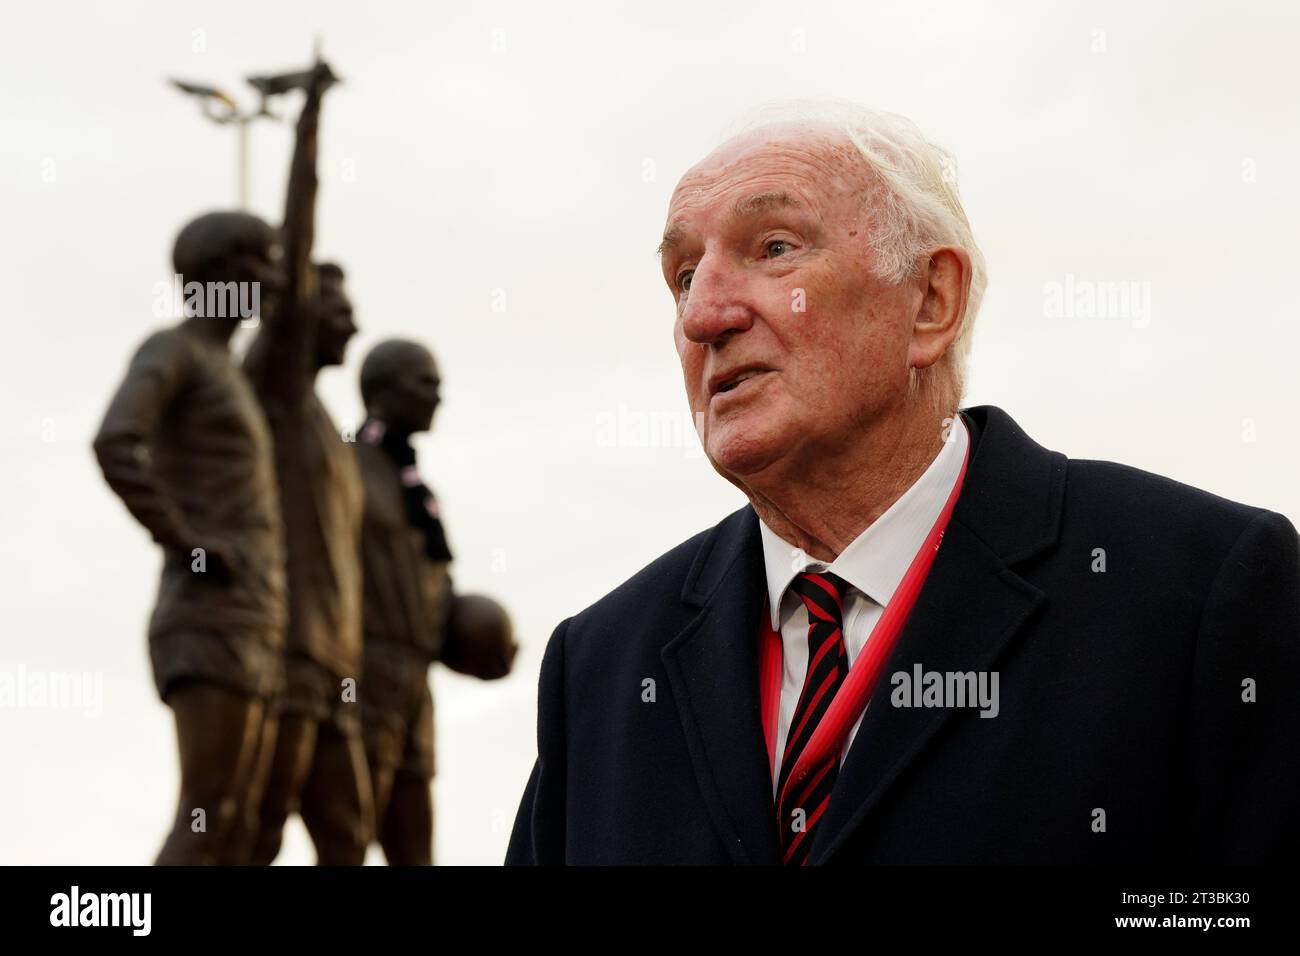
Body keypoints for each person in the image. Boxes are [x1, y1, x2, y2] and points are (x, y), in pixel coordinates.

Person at [506, 102, 1300, 865]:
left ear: (931, 300)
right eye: (683, 276)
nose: (702, 314)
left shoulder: (1201, 591)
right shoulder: (601, 668)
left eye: (774, 247)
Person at [93, 209, 286, 865]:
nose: (274, 279)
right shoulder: (173, 351)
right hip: (207, 616)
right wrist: (188, 543)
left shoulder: (231, 373)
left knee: (235, 829)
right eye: (262, 262)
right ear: (220, 271)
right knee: (206, 820)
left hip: (253, 619)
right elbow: (116, 440)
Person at [240, 60, 372, 865]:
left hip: (336, 662)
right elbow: (296, 243)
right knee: (252, 828)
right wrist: (310, 120)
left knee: (347, 836)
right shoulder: (278, 390)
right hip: (285, 648)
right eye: (340, 311)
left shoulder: (329, 426)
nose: (353, 328)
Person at [354, 339, 516, 865]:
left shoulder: (413, 483)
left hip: (411, 683)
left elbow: (430, 584)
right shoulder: (346, 468)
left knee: (415, 847)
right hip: (358, 678)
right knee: (346, 837)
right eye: (426, 383)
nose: (438, 397)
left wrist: (472, 635)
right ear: (383, 389)